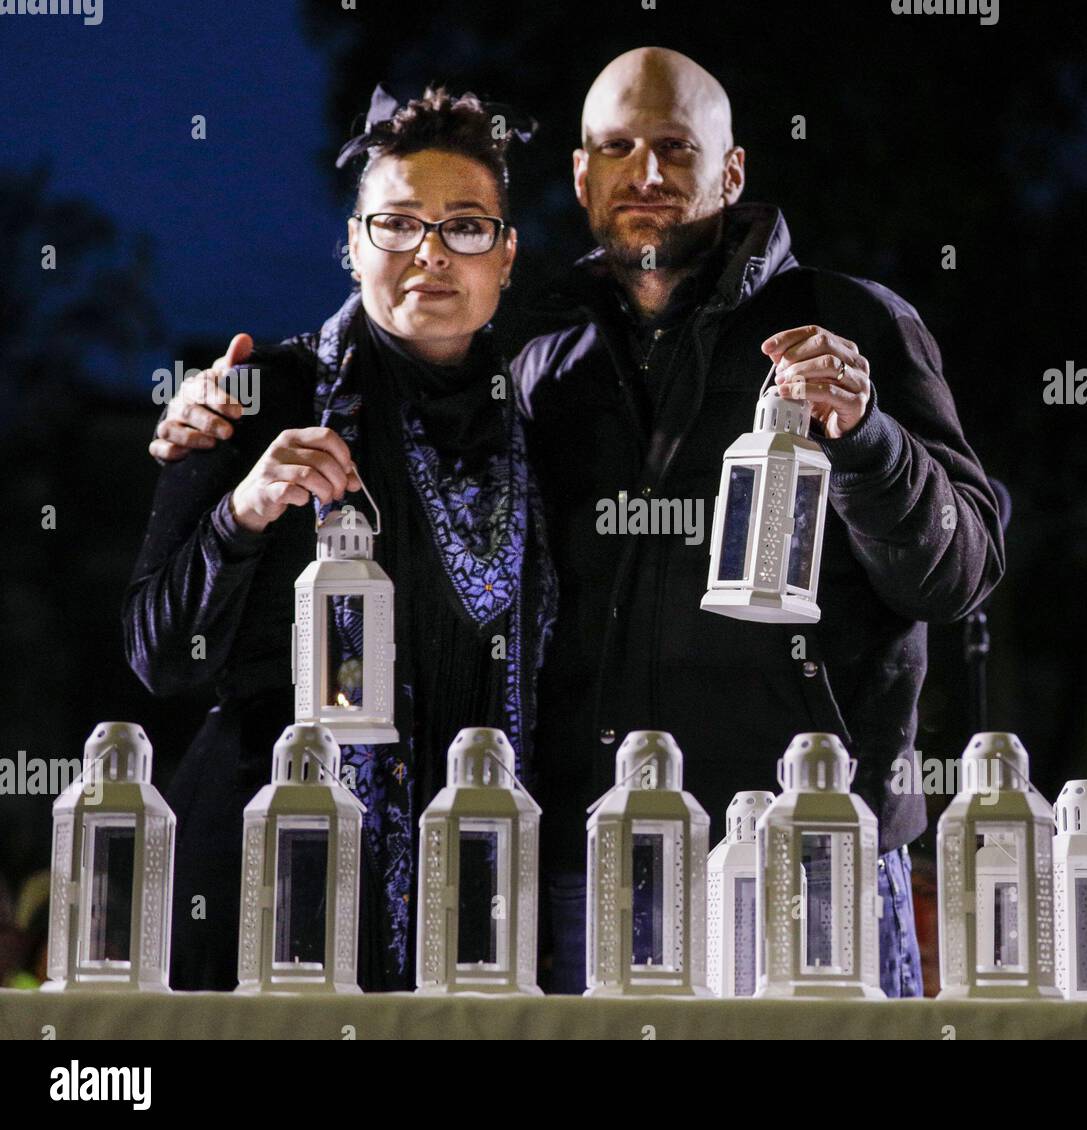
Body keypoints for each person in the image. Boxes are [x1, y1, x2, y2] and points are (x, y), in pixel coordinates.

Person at [152, 48, 1005, 999]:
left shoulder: (850, 326)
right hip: (588, 857)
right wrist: (217, 426)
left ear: (733, 169)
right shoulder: (539, 350)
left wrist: (871, 438)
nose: (645, 173)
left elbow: (959, 573)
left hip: (806, 841)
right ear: (580, 175)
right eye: (618, 146)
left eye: (676, 147)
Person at [124, 84, 556, 991]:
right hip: (267, 879)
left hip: (473, 893)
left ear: (506, 256)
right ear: (354, 246)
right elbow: (159, 656)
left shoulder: (542, 424)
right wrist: (241, 514)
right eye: (397, 224)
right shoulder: (253, 395)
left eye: (466, 227)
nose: (431, 253)